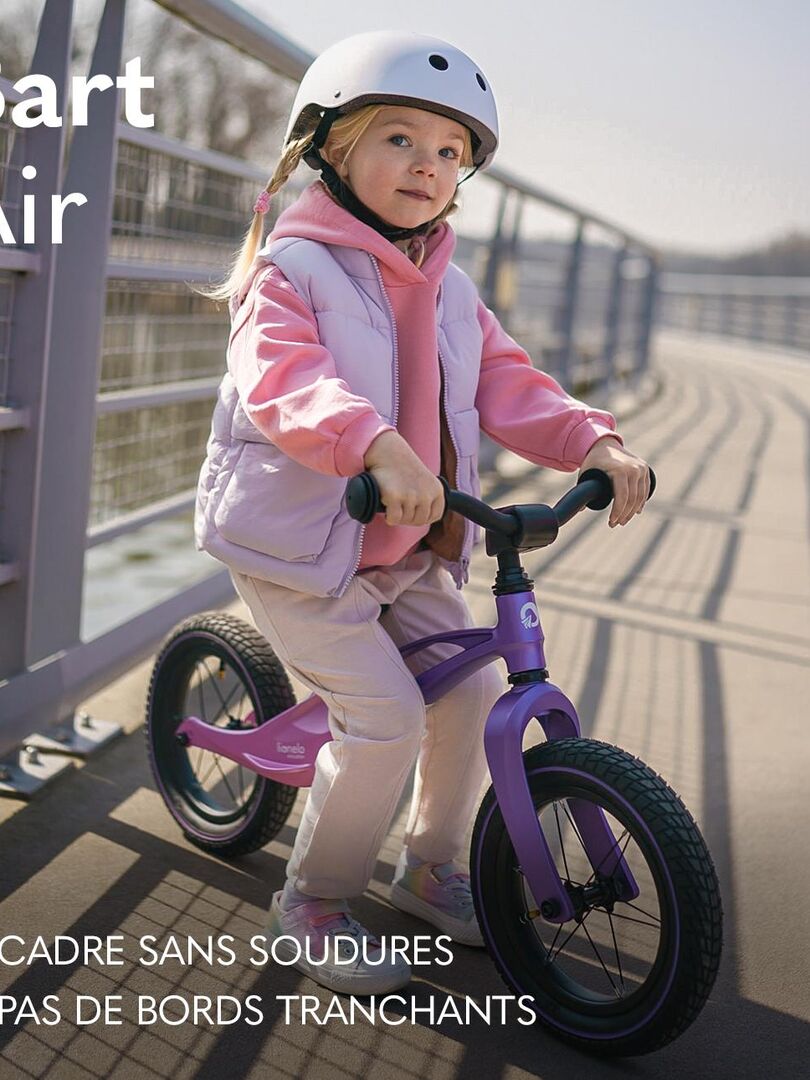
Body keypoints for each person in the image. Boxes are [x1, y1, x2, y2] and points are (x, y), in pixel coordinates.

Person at [195, 31, 650, 995]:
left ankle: (431, 869)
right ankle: (312, 906)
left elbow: (509, 381)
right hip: (298, 549)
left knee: (475, 692)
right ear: (332, 147)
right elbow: (286, 383)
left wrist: (593, 442)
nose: (427, 166)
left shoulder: (451, 287)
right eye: (399, 138)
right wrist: (373, 444)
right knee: (386, 718)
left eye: (449, 153)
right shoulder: (288, 271)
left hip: (406, 548)